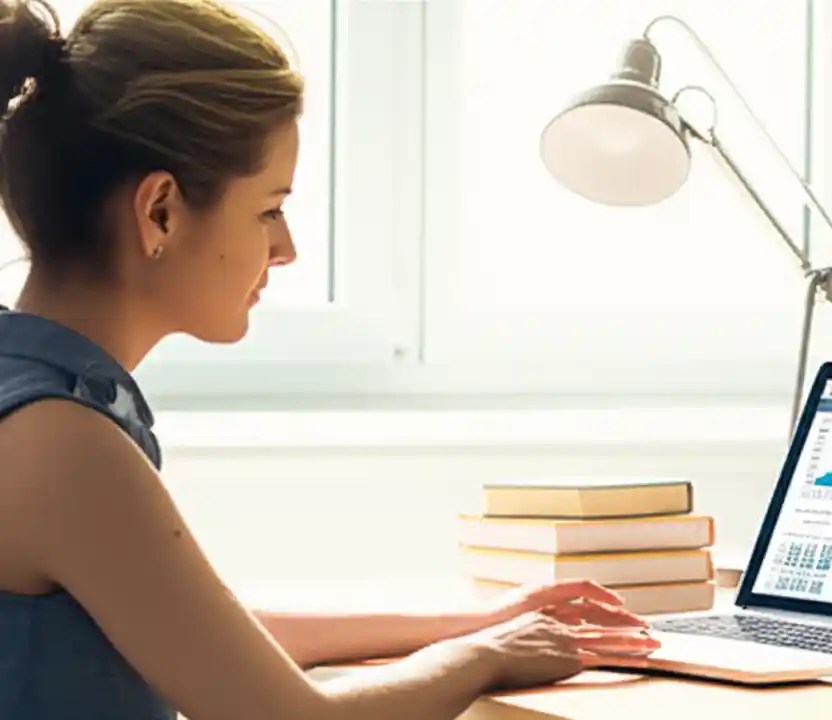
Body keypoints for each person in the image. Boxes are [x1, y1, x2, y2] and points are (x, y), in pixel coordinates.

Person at [0, 1, 658, 718]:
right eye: (268, 210)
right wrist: (480, 659)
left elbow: (194, 633)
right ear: (160, 211)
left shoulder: (34, 402)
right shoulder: (60, 444)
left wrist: (476, 622)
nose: (285, 249)